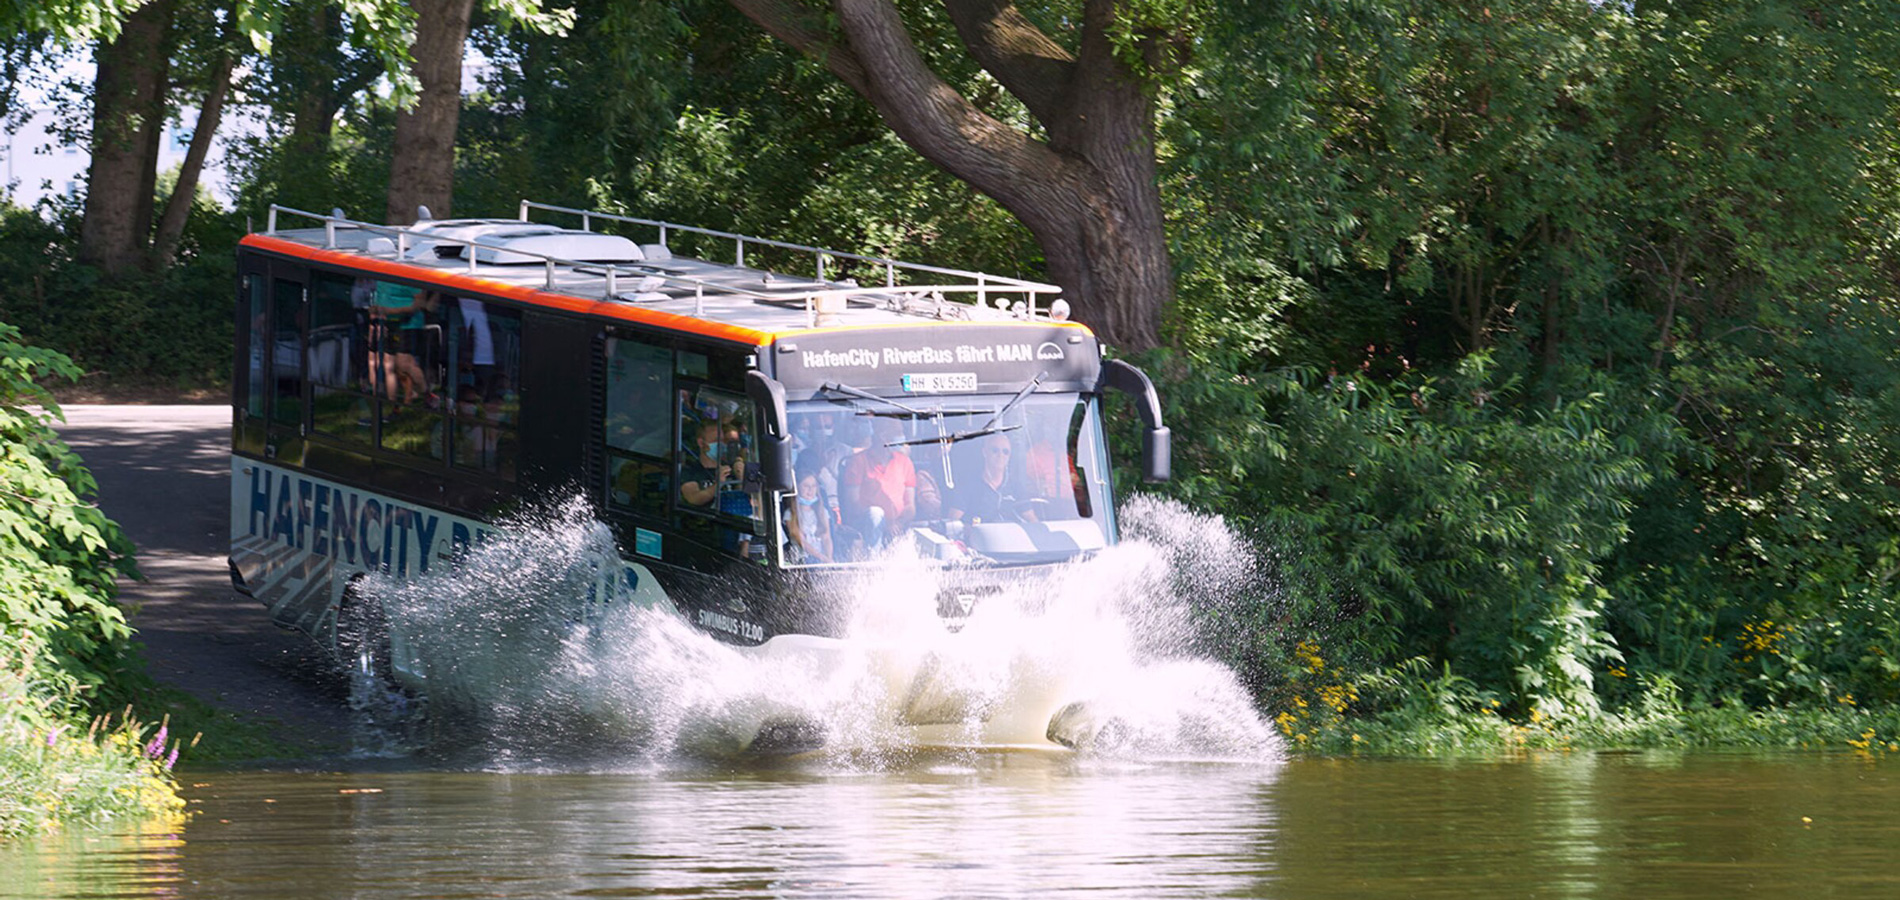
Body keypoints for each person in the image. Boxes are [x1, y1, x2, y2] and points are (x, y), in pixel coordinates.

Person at [839, 416, 915, 546]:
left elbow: (910, 507)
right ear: (883, 436)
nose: (902, 437)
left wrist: (898, 523)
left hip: (898, 527)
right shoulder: (858, 461)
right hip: (865, 526)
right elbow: (852, 505)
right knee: (875, 513)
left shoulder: (904, 462)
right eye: (898, 433)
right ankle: (872, 562)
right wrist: (885, 523)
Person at [948, 432, 1017, 525]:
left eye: (1005, 452)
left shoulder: (1015, 485)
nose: (1001, 455)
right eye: (995, 450)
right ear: (984, 452)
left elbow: (1031, 518)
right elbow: (952, 523)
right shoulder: (968, 486)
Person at [784, 463, 833, 563]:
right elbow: (801, 542)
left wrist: (829, 558)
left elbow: (826, 537)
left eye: (813, 486)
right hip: (802, 560)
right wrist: (822, 558)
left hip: (822, 560)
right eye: (806, 486)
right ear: (797, 488)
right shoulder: (790, 514)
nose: (810, 490)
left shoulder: (823, 511)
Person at [679, 419, 724, 507]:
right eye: (716, 440)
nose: (721, 444)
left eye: (722, 440)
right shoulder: (689, 471)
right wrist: (719, 484)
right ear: (701, 443)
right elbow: (694, 499)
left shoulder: (729, 468)